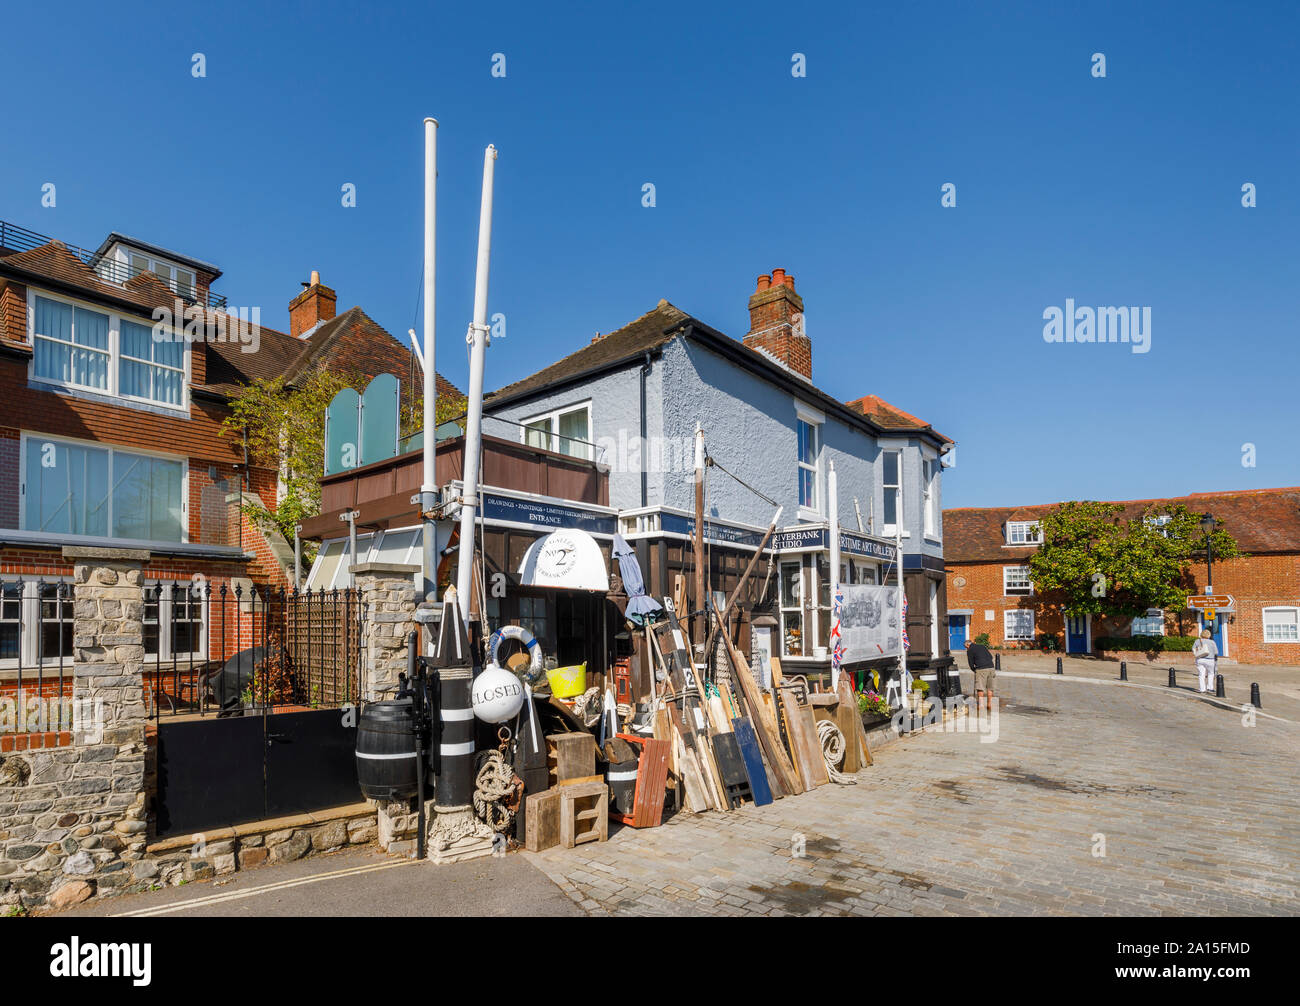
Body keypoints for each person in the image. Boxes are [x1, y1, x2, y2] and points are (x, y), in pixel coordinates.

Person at [965, 638, 996, 712]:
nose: (966, 649)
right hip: (991, 667)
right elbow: (991, 657)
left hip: (981, 669)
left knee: (980, 687)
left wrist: (974, 669)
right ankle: (989, 704)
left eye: (966, 647)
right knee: (990, 687)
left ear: (967, 645)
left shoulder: (970, 650)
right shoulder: (982, 646)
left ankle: (981, 705)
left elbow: (971, 662)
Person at [1192, 629, 1219, 694]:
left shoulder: (1197, 641)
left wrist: (1197, 654)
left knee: (1201, 674)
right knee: (1211, 673)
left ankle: (1202, 689)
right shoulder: (1212, 642)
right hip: (1210, 660)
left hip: (1200, 659)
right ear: (1209, 635)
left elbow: (1193, 649)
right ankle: (1210, 688)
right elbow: (1216, 652)